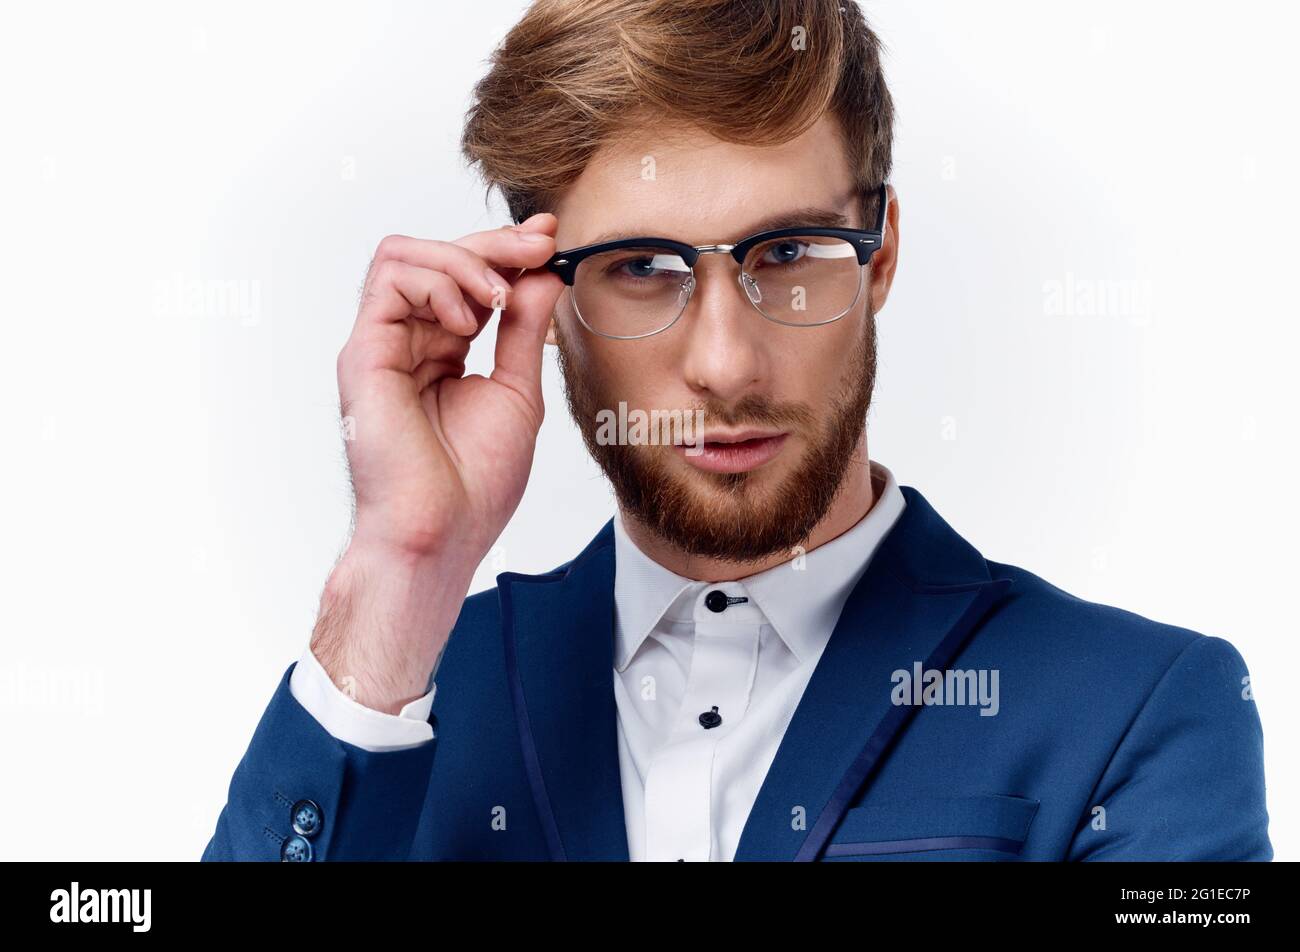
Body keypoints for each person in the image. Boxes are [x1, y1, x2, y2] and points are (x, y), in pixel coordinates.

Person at [202, 0, 1270, 862]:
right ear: (537, 291)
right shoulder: (410, 701)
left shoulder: (1140, 711)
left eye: (790, 252)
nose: (725, 364)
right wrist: (400, 567)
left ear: (881, 252)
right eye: (640, 269)